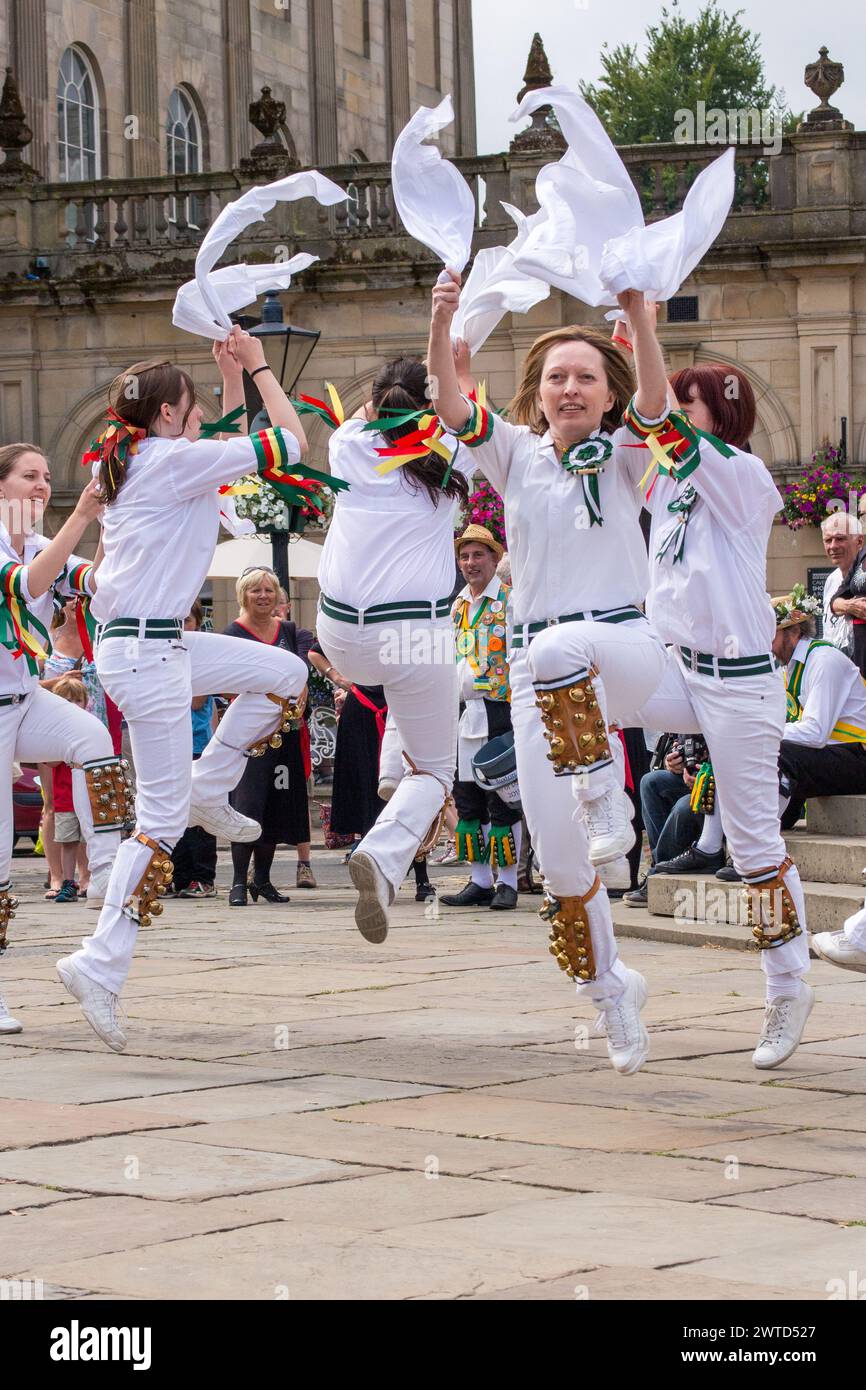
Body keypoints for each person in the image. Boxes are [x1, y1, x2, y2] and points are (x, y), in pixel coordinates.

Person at [429, 275, 669, 1076]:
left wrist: (639, 318)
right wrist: (441, 326)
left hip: (623, 648)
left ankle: (611, 799)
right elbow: (454, 407)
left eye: (587, 377)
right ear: (538, 392)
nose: (570, 387)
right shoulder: (517, 455)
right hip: (539, 675)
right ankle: (611, 990)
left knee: (565, 650)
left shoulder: (632, 448)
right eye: (557, 376)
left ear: (609, 395)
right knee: (563, 867)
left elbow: (662, 407)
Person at [56, 330, 309, 1051]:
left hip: (152, 643)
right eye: (191, 411)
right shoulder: (166, 461)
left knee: (285, 674)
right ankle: (100, 963)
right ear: (169, 418)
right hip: (148, 652)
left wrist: (226, 384)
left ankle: (209, 785)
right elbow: (287, 442)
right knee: (158, 821)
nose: (199, 423)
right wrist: (260, 366)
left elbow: (215, 449)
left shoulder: (139, 458)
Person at [613, 318, 813, 1070]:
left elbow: (657, 422)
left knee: (757, 846)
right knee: (581, 674)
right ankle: (606, 812)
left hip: (739, 686)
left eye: (690, 406)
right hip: (675, 666)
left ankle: (787, 983)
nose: (674, 414)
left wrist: (642, 330)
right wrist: (631, 350)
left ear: (718, 418)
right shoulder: (666, 483)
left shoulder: (741, 476)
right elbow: (640, 429)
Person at [315, 355, 474, 943]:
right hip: (411, 633)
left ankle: (387, 804)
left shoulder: (346, 442)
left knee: (406, 717)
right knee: (436, 768)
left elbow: (385, 422)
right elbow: (454, 420)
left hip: (339, 634)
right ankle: (382, 853)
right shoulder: (453, 457)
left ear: (372, 406)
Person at [1, 442, 121, 1036]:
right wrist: (82, 516)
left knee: (94, 737)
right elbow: (26, 587)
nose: (42, 485)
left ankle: (104, 870)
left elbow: (93, 581)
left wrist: (111, 529)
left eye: (48, 476)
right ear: (1, 487)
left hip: (24, 699)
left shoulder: (47, 541)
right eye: (29, 476)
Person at [440, 524, 522, 911]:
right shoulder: (456, 605)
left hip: (497, 707)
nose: (471, 563)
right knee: (467, 798)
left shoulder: (509, 601)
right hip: (461, 710)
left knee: (502, 797)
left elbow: (521, 656)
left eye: (478, 555)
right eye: (465, 556)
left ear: (494, 558)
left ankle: (508, 881)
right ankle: (479, 879)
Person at [224, 567, 315, 904]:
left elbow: (302, 672)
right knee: (247, 805)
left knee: (277, 807)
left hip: (286, 734)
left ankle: (262, 880)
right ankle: (237, 881)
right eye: (255, 590)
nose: (262, 596)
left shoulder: (288, 631)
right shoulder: (232, 633)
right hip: (248, 736)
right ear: (242, 595)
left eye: (268, 590)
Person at [772, 587, 866, 827]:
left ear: (792, 631)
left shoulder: (824, 660)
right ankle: (775, 822)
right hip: (836, 754)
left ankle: (764, 836)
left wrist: (763, 733)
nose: (765, 645)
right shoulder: (788, 668)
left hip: (859, 756)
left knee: (775, 751)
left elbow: (815, 732)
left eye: (770, 636)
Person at [623, 734, 705, 907]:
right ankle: (661, 866)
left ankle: (658, 874)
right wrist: (673, 762)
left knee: (685, 805)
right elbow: (673, 741)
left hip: (718, 783)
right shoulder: (690, 714)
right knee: (650, 781)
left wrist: (705, 775)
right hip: (691, 778)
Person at [170, 602, 218, 898]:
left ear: (197, 623)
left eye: (187, 620)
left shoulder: (200, 653)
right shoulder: (167, 651)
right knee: (173, 814)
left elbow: (197, 699)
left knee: (198, 814)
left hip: (196, 742)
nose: (182, 626)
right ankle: (178, 875)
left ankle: (203, 877)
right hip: (171, 742)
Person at [821, 512, 863, 656]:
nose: (833, 546)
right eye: (828, 540)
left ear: (859, 541)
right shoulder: (831, 580)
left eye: (840, 539)